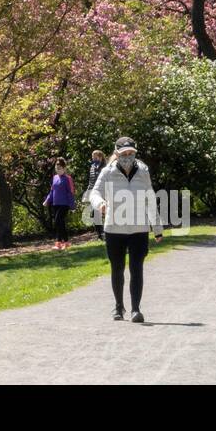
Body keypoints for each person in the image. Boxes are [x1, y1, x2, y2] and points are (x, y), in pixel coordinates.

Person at [88, 137, 163, 323]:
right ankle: (119, 306)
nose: (127, 157)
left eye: (131, 153)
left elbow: (150, 197)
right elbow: (94, 193)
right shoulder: (108, 172)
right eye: (124, 154)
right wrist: (100, 204)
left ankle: (136, 309)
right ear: (117, 154)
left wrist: (157, 227)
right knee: (117, 269)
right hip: (115, 228)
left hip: (139, 228)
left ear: (135, 153)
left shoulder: (143, 171)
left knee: (136, 268)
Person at [43, 158, 77, 249]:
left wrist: (72, 206)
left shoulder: (68, 179)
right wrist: (47, 200)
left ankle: (65, 242)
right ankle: (59, 243)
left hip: (64, 204)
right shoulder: (54, 178)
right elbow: (52, 191)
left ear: (64, 168)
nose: (58, 170)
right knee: (58, 223)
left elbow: (71, 193)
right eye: (57, 168)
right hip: (55, 203)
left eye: (60, 168)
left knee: (58, 220)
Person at [83, 149, 107, 240]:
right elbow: (91, 181)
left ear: (100, 157)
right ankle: (101, 234)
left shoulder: (105, 167)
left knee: (104, 212)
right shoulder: (92, 167)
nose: (93, 158)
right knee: (94, 214)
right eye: (92, 157)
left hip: (103, 192)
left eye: (95, 157)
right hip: (94, 192)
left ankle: (105, 232)